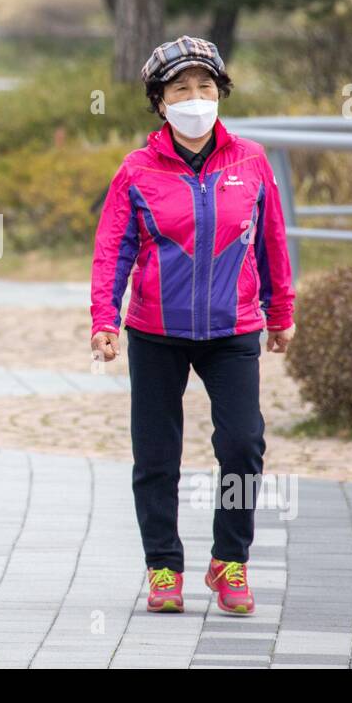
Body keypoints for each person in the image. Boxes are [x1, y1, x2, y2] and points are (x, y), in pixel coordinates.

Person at [89, 36, 296, 616]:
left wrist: (281, 314)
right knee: (156, 455)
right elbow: (113, 251)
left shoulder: (251, 161)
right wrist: (105, 321)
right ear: (160, 102)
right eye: (181, 88)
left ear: (221, 93)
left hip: (233, 331)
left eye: (206, 86)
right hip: (156, 332)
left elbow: (273, 243)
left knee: (242, 444)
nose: (195, 97)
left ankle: (230, 562)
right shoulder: (136, 170)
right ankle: (163, 569)